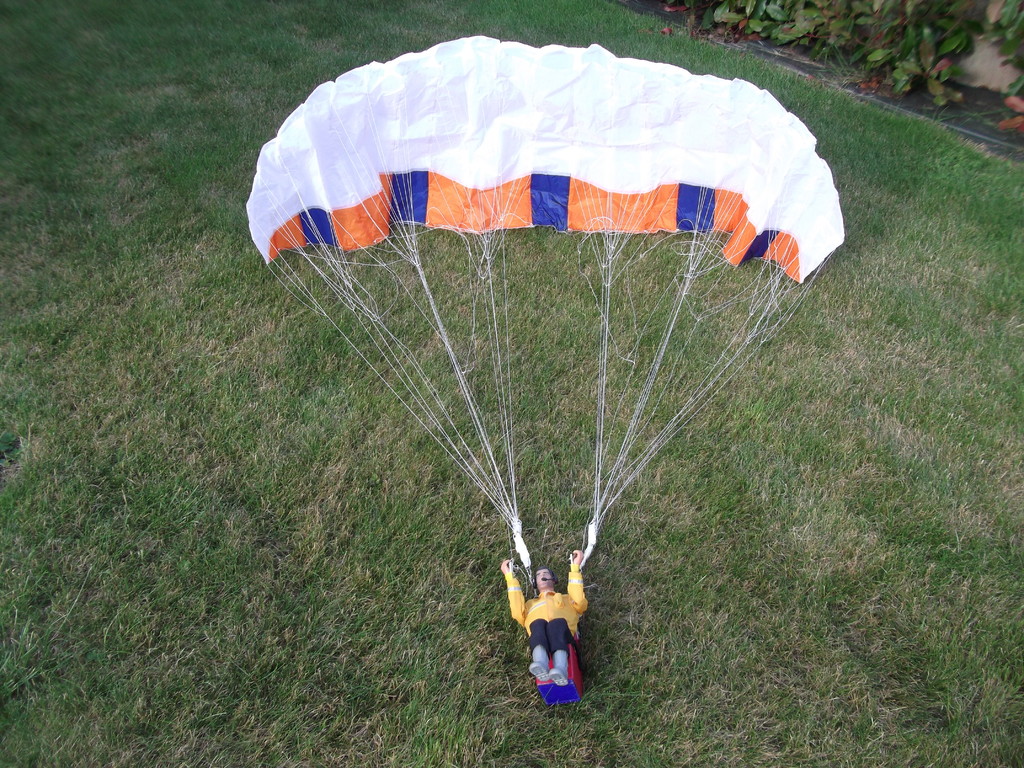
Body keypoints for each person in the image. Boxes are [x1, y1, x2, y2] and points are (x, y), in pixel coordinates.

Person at [501, 550, 587, 686]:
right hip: (539, 630)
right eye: (538, 575)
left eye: (546, 573)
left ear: (553, 579)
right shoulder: (530, 604)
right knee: (537, 624)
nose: (542, 576)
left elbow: (580, 603)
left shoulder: (566, 598)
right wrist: (510, 578)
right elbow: (517, 612)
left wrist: (575, 567)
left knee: (556, 625)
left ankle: (560, 668)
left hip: (562, 631)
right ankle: (540, 663)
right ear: (535, 582)